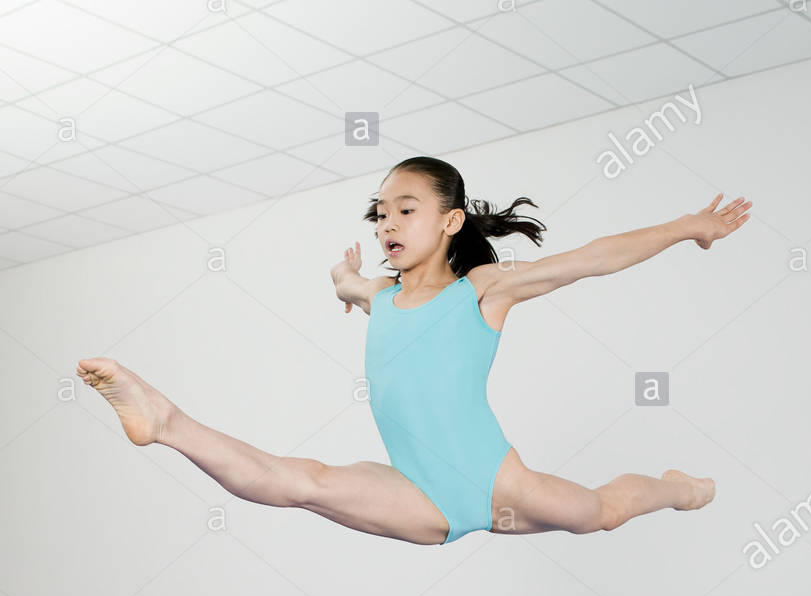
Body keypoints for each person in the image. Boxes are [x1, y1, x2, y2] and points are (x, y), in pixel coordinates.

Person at [78, 155, 750, 546]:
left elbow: (594, 260)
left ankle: (675, 488)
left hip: (499, 485)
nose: (387, 223)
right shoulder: (383, 296)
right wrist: (344, 284)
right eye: (381, 212)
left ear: (451, 221)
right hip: (416, 494)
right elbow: (353, 283)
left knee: (602, 513)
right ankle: (164, 423)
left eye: (405, 209)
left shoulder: (483, 292)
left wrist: (690, 227)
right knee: (301, 483)